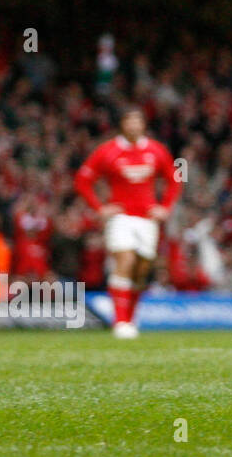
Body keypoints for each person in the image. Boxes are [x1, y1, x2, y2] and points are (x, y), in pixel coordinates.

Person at [74, 107, 181, 338]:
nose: (133, 126)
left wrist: (166, 207)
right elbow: (82, 180)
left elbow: (176, 178)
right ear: (122, 124)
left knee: (142, 269)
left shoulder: (157, 150)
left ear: (143, 125)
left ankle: (130, 318)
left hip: (147, 218)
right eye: (129, 121)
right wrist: (100, 209)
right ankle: (120, 322)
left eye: (137, 121)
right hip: (120, 217)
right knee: (126, 259)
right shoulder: (108, 150)